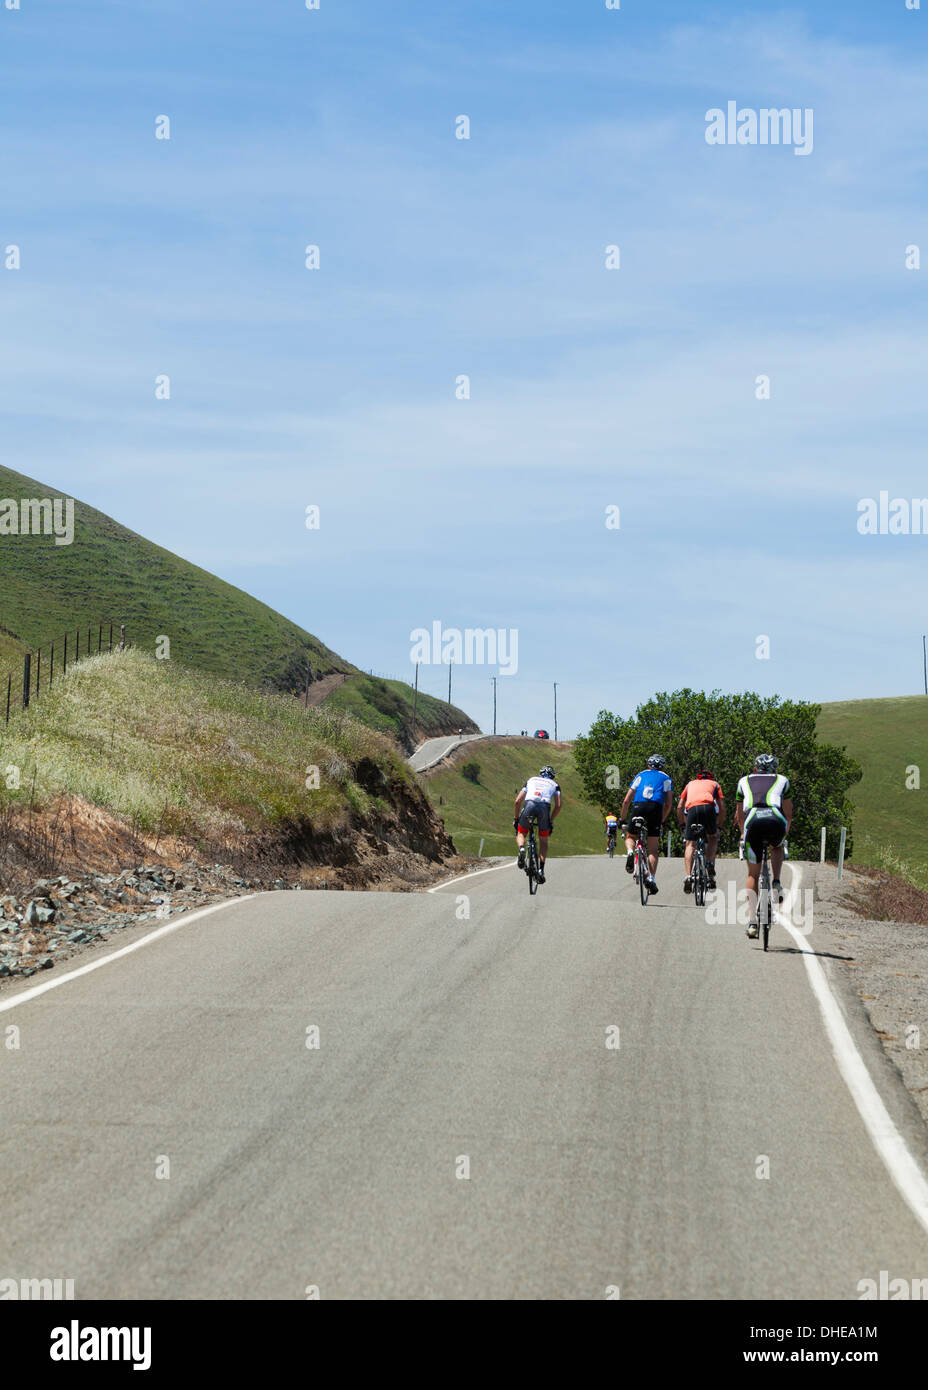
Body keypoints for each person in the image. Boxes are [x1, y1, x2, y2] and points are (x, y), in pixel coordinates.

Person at [734, 754, 793, 939]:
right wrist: (783, 836)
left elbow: (739, 816)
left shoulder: (743, 781)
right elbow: (789, 814)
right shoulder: (783, 780)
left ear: (755, 769)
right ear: (775, 771)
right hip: (775, 820)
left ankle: (752, 922)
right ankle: (776, 882)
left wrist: (744, 834)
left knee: (753, 874)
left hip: (753, 823)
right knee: (776, 846)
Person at [621, 755, 672, 895]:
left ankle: (631, 852)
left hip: (639, 807)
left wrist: (623, 819)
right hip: (655, 808)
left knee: (631, 836)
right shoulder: (666, 778)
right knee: (653, 849)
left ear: (649, 765)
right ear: (663, 766)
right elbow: (668, 804)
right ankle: (651, 878)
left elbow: (626, 801)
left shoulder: (640, 775)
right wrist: (662, 819)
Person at [677, 771, 725, 892]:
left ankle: (688, 876)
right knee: (713, 838)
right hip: (709, 808)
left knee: (690, 844)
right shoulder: (715, 784)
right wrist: (719, 826)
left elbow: (679, 806)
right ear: (711, 778)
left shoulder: (689, 784)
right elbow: (722, 807)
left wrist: (682, 824)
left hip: (692, 810)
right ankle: (709, 863)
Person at [514, 766, 561, 884]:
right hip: (544, 808)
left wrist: (516, 819)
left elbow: (517, 801)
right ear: (552, 776)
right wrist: (550, 820)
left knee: (521, 832)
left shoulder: (531, 780)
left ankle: (521, 849)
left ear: (540, 774)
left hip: (529, 804)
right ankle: (541, 870)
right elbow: (558, 805)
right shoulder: (554, 784)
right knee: (543, 841)